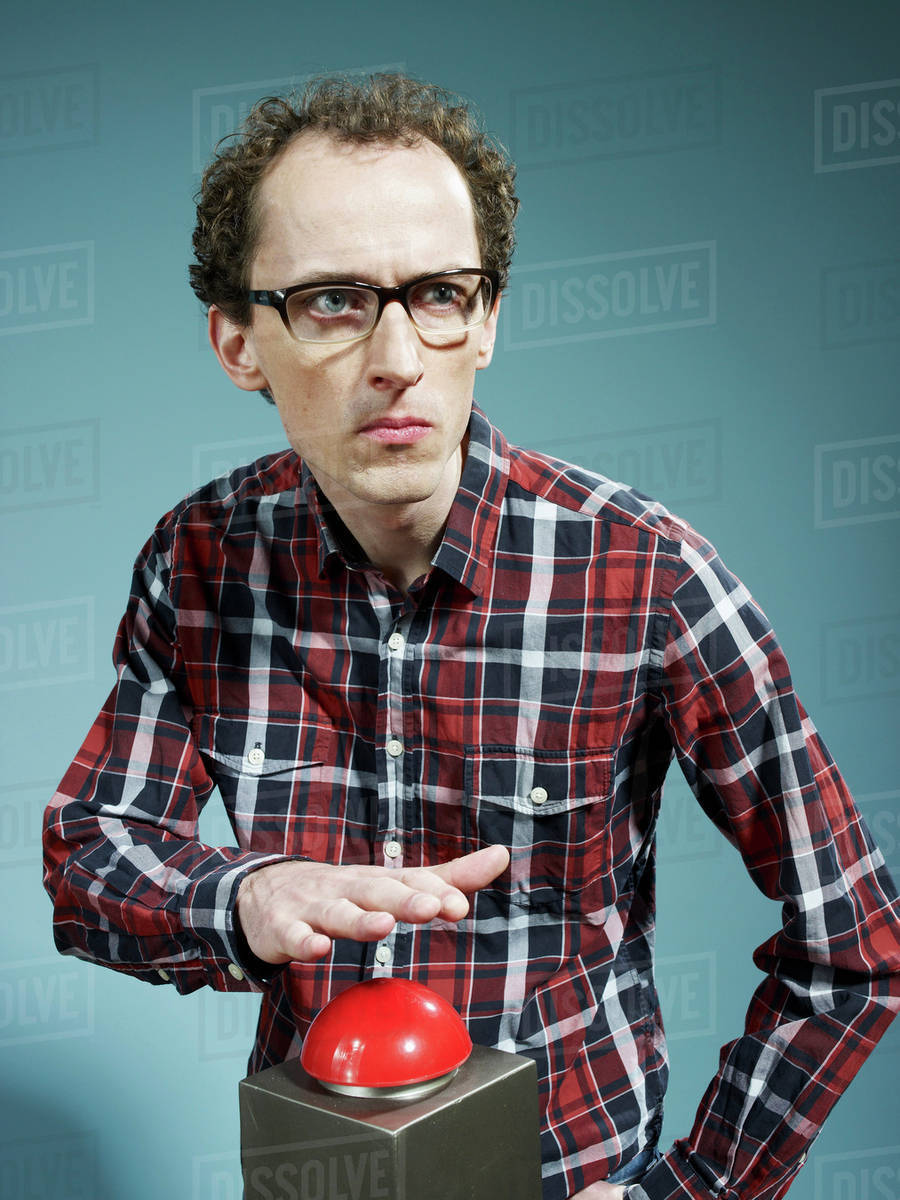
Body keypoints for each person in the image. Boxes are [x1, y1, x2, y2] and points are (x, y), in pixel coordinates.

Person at [43, 73, 900, 1200]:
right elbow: (90, 856)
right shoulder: (199, 559)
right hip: (318, 1176)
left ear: (485, 321)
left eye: (440, 293)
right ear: (240, 342)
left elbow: (856, 944)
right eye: (335, 301)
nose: (398, 356)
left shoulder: (646, 573)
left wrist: (698, 1191)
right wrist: (245, 899)